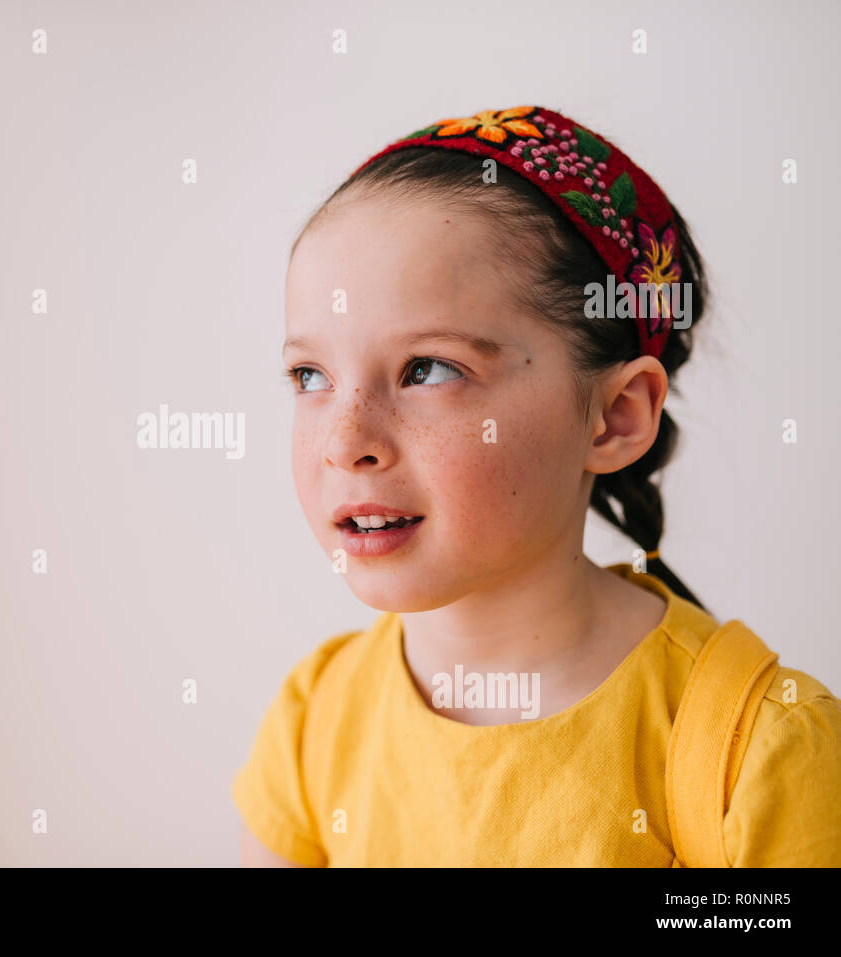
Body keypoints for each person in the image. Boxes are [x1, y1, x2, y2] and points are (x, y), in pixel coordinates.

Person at [232, 106, 841, 866]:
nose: (345, 442)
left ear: (614, 416)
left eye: (428, 369)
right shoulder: (313, 725)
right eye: (310, 376)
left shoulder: (760, 757)